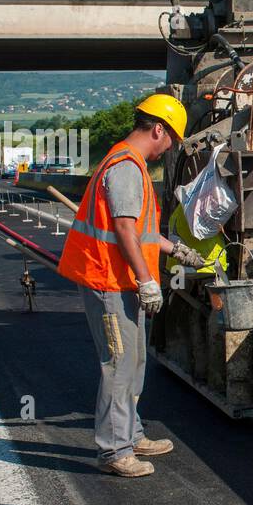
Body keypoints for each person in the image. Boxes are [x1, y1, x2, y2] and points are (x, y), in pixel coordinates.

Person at [58, 94, 208, 477]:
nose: (169, 148)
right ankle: (114, 451)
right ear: (158, 129)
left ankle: (131, 433)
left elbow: (140, 232)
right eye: (170, 139)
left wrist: (178, 250)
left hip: (120, 281)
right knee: (119, 365)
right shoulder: (125, 166)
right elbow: (124, 230)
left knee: (135, 360)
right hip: (109, 281)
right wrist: (147, 280)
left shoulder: (131, 163)